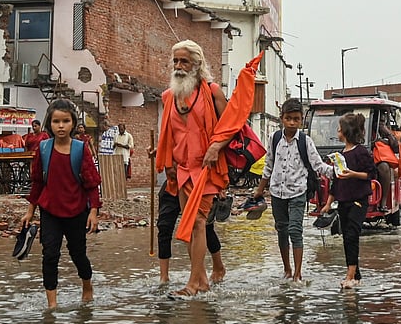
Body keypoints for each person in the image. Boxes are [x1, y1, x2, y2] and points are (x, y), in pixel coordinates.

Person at [154, 39, 230, 297]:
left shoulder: (212, 91)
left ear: (197, 64)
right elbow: (169, 134)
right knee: (188, 224)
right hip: (182, 169)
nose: (178, 66)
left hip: (207, 167)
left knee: (198, 221)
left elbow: (231, 126)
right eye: (175, 61)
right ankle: (202, 280)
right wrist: (169, 163)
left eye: (184, 61)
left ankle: (193, 283)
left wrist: (216, 147)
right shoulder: (168, 96)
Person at [20, 98, 102, 309]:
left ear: (73, 123)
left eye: (65, 121)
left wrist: (93, 212)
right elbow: (38, 183)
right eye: (56, 121)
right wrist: (30, 212)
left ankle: (87, 285)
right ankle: (52, 305)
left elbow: (92, 184)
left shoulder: (80, 149)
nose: (61, 126)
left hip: (76, 212)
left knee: (78, 255)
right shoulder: (44, 149)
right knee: (50, 255)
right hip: (50, 211)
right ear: (50, 123)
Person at [246, 98, 335, 281]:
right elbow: (268, 166)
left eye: (296, 119)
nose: (292, 122)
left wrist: (337, 172)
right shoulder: (275, 138)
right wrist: (259, 190)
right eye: (288, 118)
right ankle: (287, 269)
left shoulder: (305, 141)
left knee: (295, 230)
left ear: (301, 120)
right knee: (281, 230)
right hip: (277, 192)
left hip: (298, 192)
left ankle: (297, 273)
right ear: (282, 118)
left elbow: (318, 165)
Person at [333, 112, 375, 289]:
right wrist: (328, 202)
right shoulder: (340, 154)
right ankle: (356, 275)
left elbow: (371, 174)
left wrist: (353, 174)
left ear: (345, 132)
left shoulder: (361, 152)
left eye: (339, 128)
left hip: (358, 200)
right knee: (346, 237)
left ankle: (350, 276)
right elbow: (336, 180)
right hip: (343, 201)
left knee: (352, 235)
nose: (337, 131)